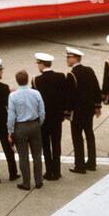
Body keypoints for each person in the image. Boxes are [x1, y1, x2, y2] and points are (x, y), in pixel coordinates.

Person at [33, 52, 72, 181]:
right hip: (57, 117)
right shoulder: (61, 77)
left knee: (46, 145)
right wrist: (64, 112)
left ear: (42, 64)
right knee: (56, 144)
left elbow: (35, 101)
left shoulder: (36, 80)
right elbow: (66, 96)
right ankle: (57, 170)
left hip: (44, 118)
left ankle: (49, 171)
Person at [8, 69, 46, 190]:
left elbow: (11, 116)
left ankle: (26, 183)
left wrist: (10, 131)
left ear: (17, 81)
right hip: (34, 124)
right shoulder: (36, 93)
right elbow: (42, 111)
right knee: (37, 155)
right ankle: (38, 180)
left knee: (23, 156)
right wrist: (38, 123)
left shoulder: (13, 96)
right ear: (27, 79)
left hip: (20, 127)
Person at [65, 46, 101, 173]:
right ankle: (92, 162)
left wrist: (67, 112)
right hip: (89, 110)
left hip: (77, 112)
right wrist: (97, 106)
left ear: (76, 58)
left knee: (77, 138)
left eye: (69, 57)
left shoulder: (71, 75)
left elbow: (69, 96)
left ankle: (79, 165)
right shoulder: (89, 70)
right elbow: (96, 88)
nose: (67, 59)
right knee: (89, 135)